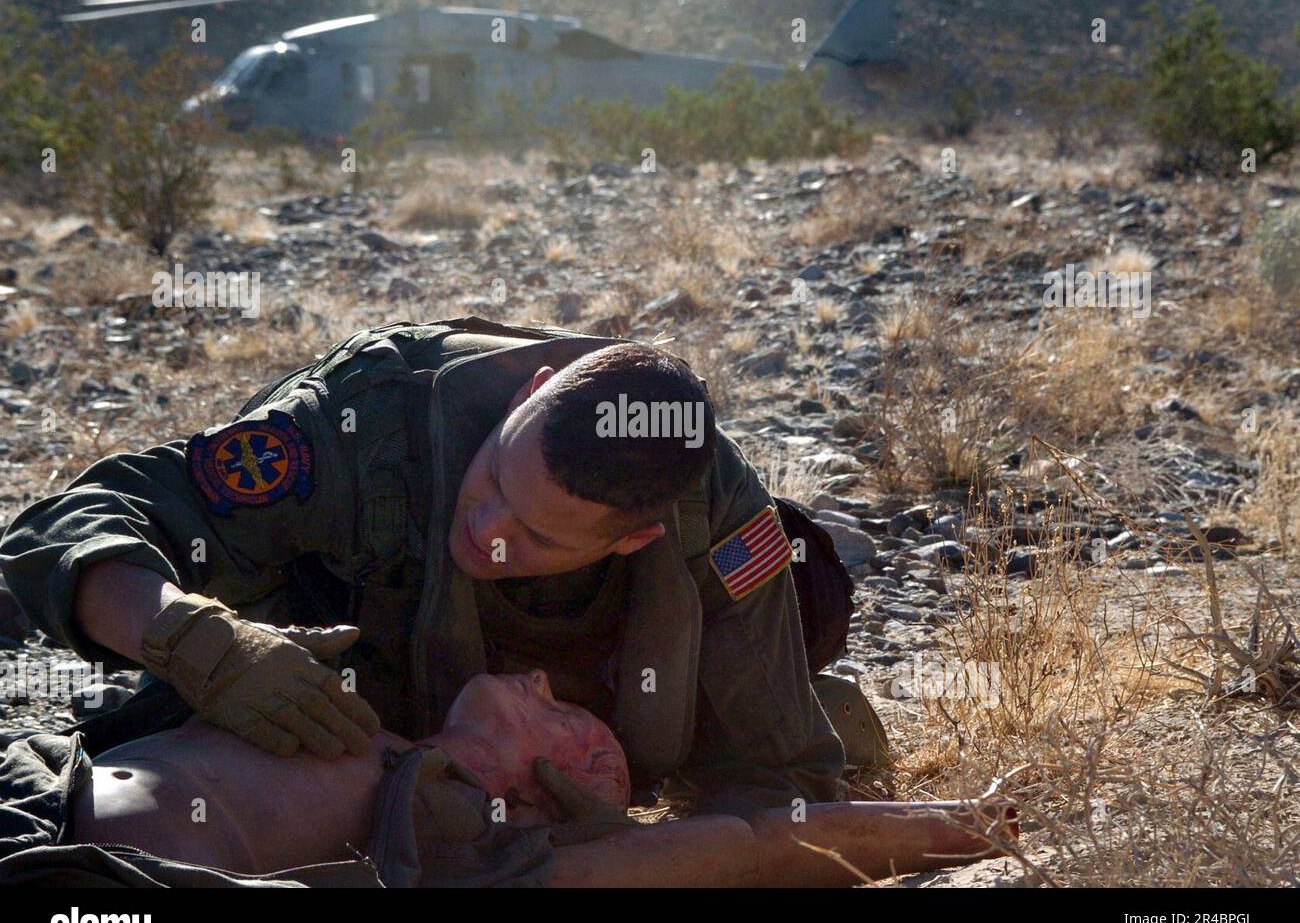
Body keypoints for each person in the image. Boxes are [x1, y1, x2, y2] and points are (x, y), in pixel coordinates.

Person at [0, 318, 846, 820]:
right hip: (312, 704)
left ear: (631, 541)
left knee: (802, 657)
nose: (485, 532)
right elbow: (67, 523)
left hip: (537, 722)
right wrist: (198, 642)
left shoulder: (714, 515)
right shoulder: (365, 426)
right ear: (530, 392)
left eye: (535, 537)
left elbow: (783, 782)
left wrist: (627, 846)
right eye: (493, 482)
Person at [73, 669, 630, 876]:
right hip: (49, 793)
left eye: (559, 714)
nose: (540, 679)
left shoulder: (453, 816)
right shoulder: (370, 730)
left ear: (545, 793)